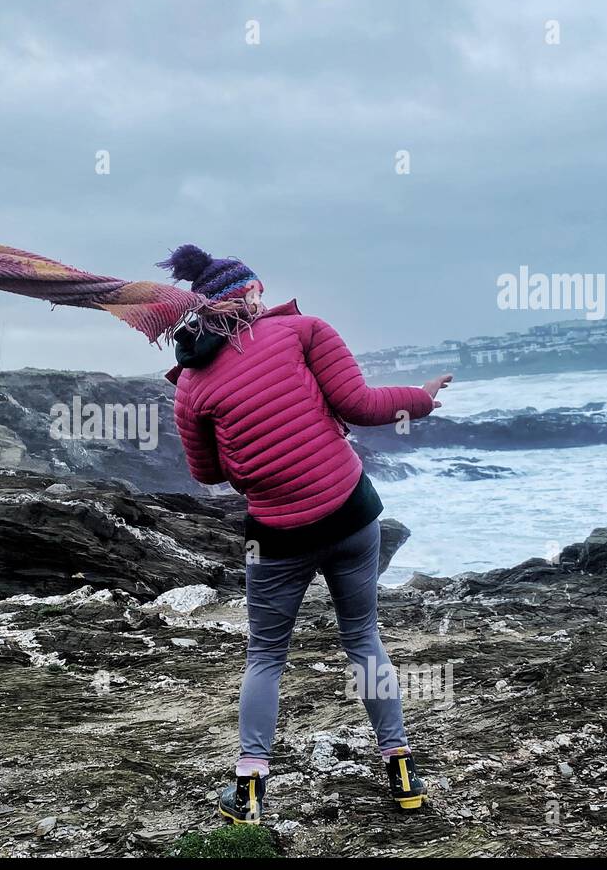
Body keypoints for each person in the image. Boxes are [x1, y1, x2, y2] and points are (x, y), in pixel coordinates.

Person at [160, 244, 452, 823]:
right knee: (363, 640)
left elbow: (207, 472)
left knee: (265, 654)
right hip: (350, 514)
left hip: (276, 533)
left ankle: (247, 791)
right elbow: (362, 405)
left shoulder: (191, 386)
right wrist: (421, 398)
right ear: (248, 295)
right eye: (257, 290)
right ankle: (401, 771)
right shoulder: (305, 330)